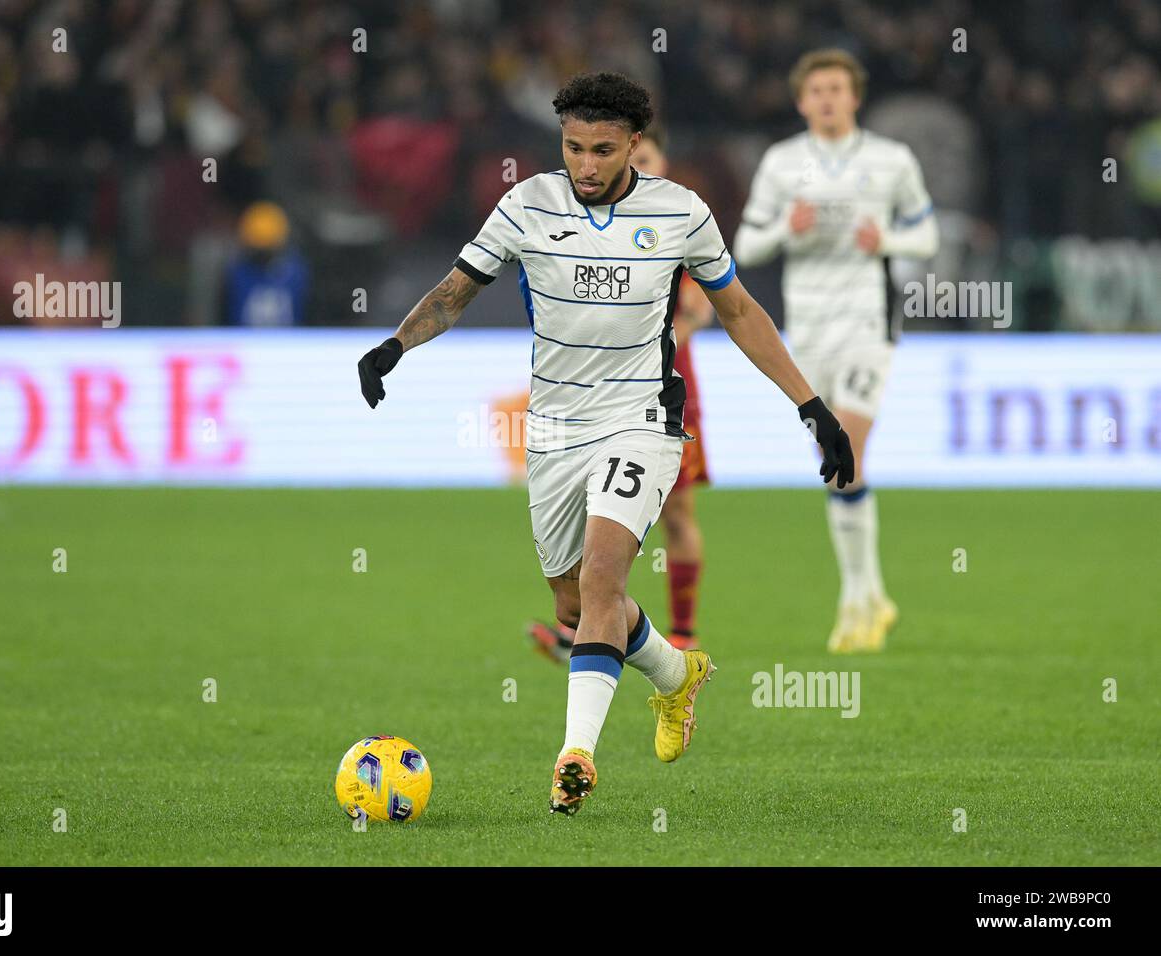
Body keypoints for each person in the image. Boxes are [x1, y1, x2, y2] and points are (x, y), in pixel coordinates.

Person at [358, 72, 853, 816]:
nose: (586, 166)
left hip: (642, 421)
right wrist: (394, 347)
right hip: (554, 428)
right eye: (573, 149)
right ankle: (677, 675)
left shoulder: (680, 213)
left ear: (633, 146)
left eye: (602, 150)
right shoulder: (527, 204)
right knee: (574, 604)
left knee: (600, 579)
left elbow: (743, 313)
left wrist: (812, 407)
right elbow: (457, 290)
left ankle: (574, 756)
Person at [732, 49, 939, 653]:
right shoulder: (782, 163)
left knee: (847, 448)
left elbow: (926, 232)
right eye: (815, 90)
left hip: (868, 321)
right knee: (835, 457)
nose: (826, 98)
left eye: (836, 88)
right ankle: (872, 595)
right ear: (801, 101)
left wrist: (889, 238)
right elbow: (746, 244)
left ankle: (855, 603)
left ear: (855, 97)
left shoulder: (890, 160)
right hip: (809, 327)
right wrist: (783, 231)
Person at [525, 125, 716, 664]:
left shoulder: (675, 225)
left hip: (666, 392)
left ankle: (683, 634)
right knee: (595, 519)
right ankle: (587, 625)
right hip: (589, 398)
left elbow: (707, 308)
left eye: (651, 159)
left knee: (676, 514)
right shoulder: (585, 223)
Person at [220, 201, 311, 327]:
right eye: (259, 252)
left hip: (289, 343)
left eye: (268, 252)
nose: (263, 259)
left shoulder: (296, 272)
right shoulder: (236, 273)